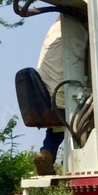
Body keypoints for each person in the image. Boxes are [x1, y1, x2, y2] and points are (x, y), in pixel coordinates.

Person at [33, 19, 65, 176]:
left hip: (46, 94)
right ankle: (71, 158)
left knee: (58, 127)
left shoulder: (53, 30)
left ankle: (47, 152)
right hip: (61, 93)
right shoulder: (73, 28)